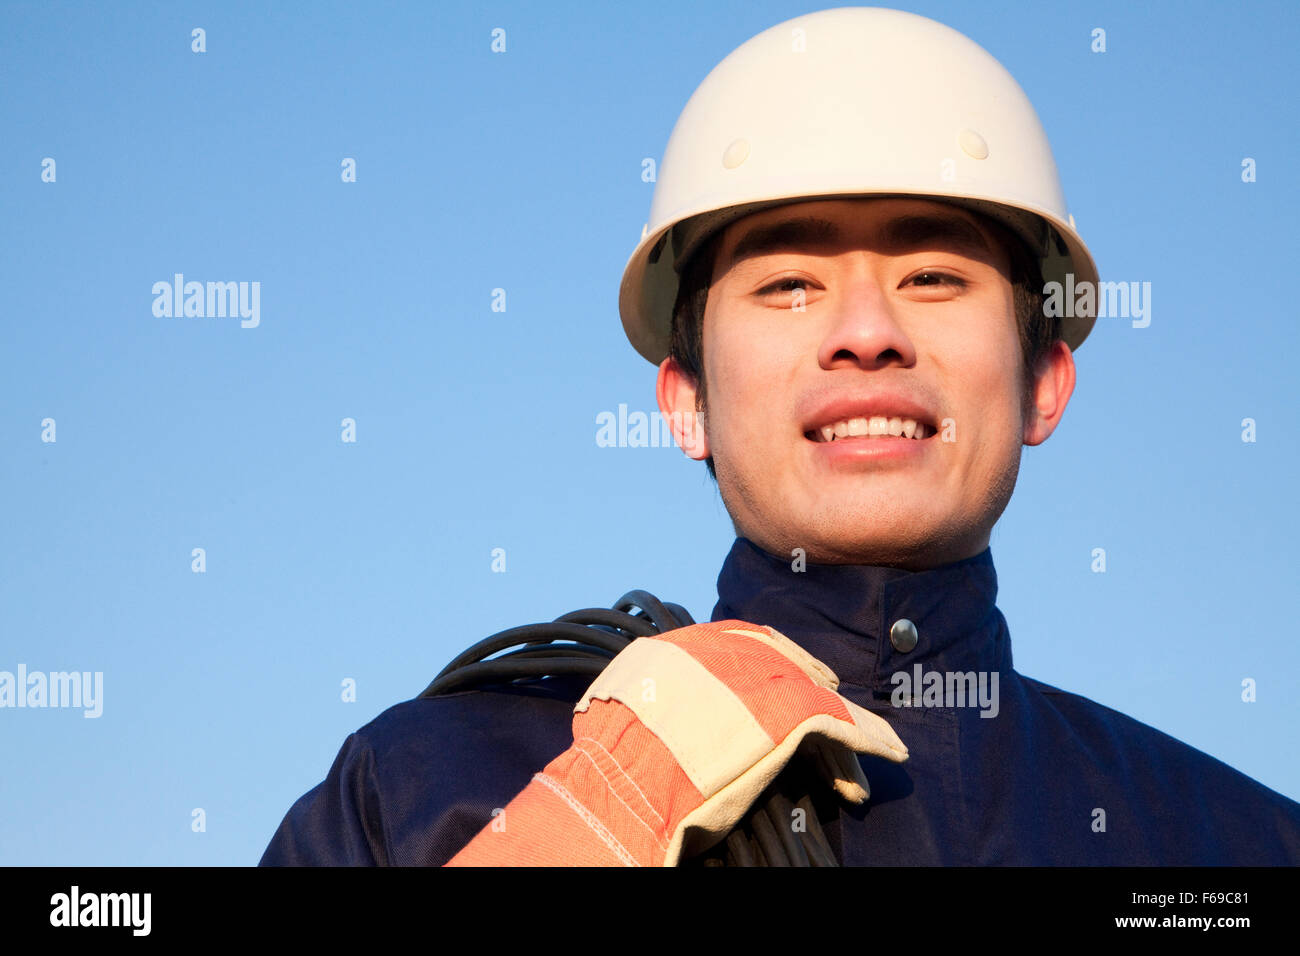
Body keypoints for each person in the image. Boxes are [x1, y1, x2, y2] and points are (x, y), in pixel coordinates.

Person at [258, 6, 1300, 866]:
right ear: (685, 399)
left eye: (932, 275)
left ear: (1044, 382)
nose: (865, 334)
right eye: (787, 283)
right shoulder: (425, 794)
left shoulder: (1233, 844)